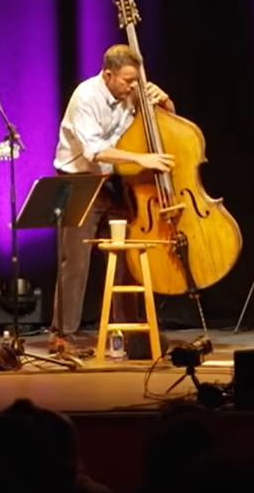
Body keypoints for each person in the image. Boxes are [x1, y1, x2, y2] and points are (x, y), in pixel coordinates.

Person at [51, 44, 176, 354]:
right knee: (75, 260)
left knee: (124, 257)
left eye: (136, 81)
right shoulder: (86, 97)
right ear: (108, 74)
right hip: (80, 180)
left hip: (117, 180)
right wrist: (142, 159)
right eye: (127, 81)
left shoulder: (131, 93)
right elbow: (95, 152)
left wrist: (164, 102)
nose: (133, 86)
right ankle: (62, 334)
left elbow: (167, 124)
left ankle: (127, 332)